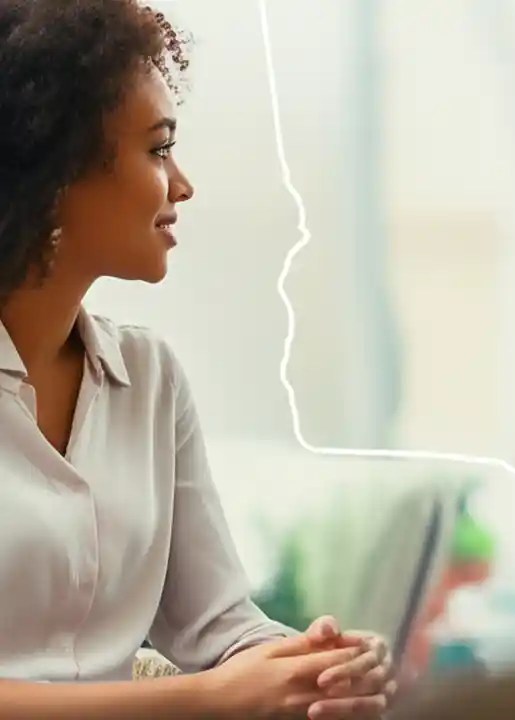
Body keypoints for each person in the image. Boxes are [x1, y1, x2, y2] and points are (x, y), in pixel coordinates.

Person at [0, 1, 392, 717]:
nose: (182, 184)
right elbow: (211, 686)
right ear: (55, 171)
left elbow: (216, 626)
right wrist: (208, 699)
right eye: (157, 149)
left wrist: (317, 665)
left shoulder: (150, 381)